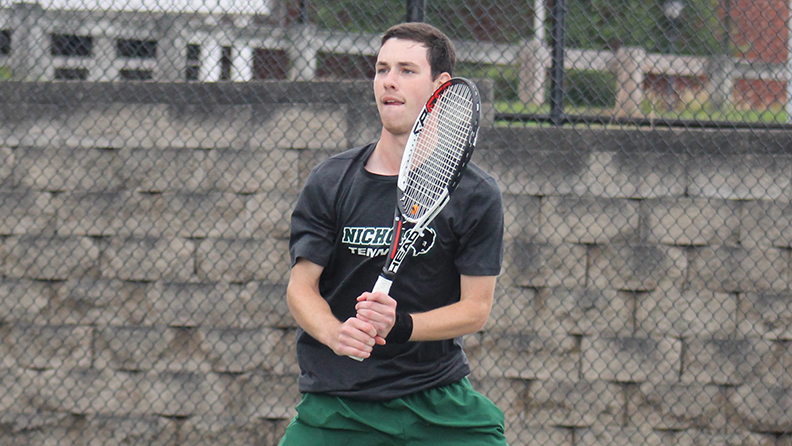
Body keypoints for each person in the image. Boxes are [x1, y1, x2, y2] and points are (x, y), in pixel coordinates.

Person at [280, 22, 507, 446]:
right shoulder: (331, 180)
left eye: (406, 70)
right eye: (382, 69)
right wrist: (335, 333)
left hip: (435, 405)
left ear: (440, 85)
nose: (389, 81)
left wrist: (400, 324)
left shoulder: (477, 193)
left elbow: (475, 309)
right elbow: (300, 288)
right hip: (338, 405)